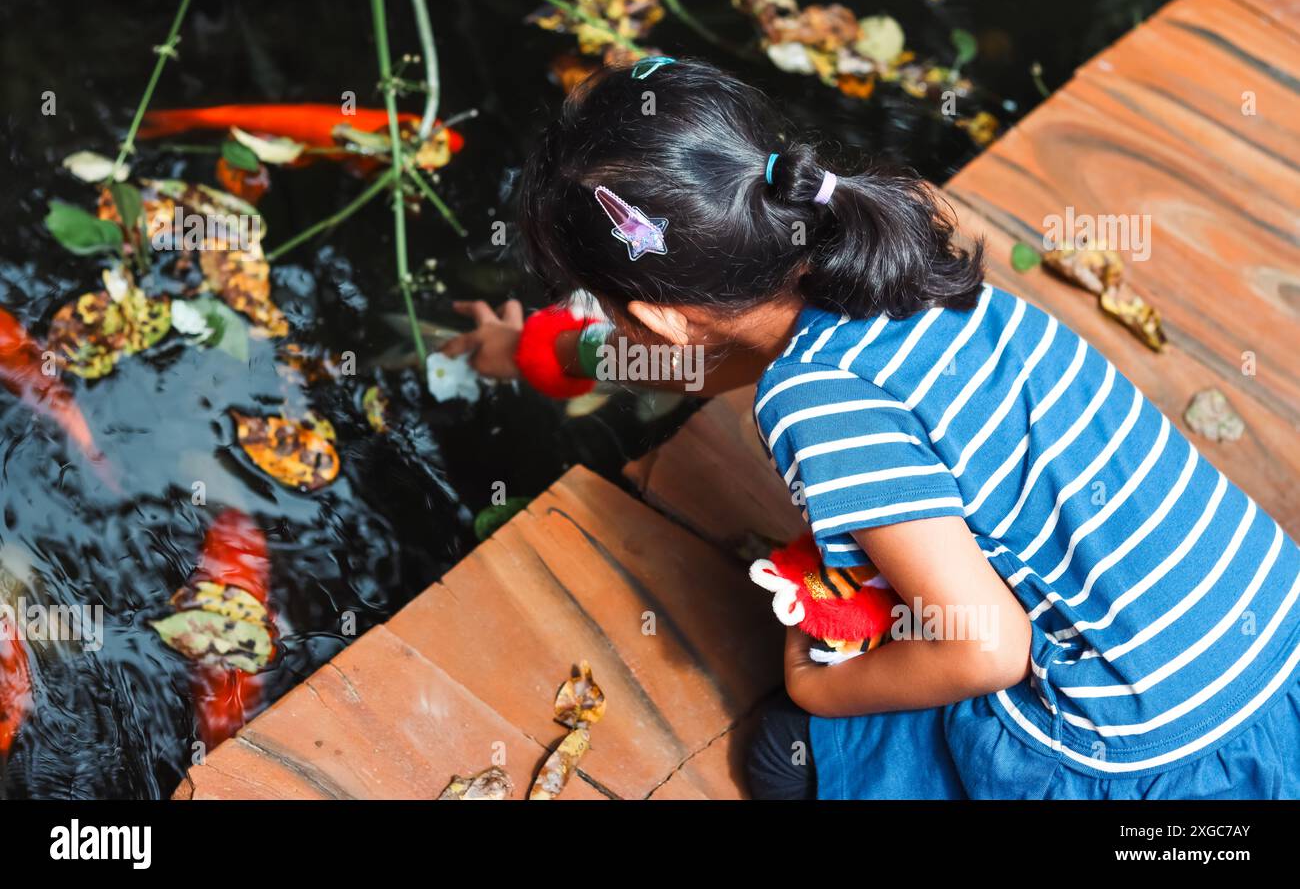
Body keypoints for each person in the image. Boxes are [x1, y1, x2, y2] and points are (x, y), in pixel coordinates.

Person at [441, 58, 1300, 799]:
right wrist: (533, 350)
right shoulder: (889, 264)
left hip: (1166, 759)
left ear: (659, 320)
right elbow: (708, 355)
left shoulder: (814, 402)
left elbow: (988, 650)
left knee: (788, 756)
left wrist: (819, 691)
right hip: (1276, 642)